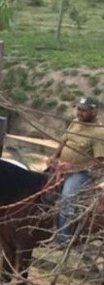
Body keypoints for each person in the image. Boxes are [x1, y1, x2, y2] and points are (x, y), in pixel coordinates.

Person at [48, 96, 104, 244]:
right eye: (78, 109)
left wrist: (72, 167)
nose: (80, 113)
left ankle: (63, 238)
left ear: (93, 111)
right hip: (61, 167)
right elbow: (64, 140)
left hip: (81, 173)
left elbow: (98, 162)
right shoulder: (75, 123)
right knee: (38, 186)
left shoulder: (99, 132)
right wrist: (55, 156)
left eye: (84, 110)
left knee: (67, 198)